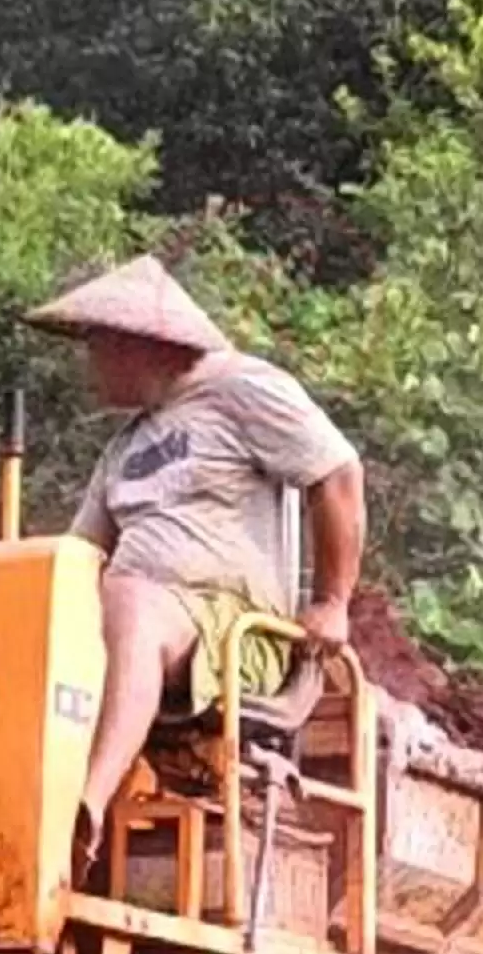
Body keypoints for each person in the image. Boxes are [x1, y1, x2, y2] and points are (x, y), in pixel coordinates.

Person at [24, 256, 364, 875]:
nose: (89, 365)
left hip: (235, 638)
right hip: (137, 622)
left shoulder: (244, 389)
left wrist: (335, 600)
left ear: (137, 344)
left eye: (96, 347)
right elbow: (78, 558)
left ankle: (84, 804)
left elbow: (338, 475)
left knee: (129, 599)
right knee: (53, 614)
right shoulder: (124, 448)